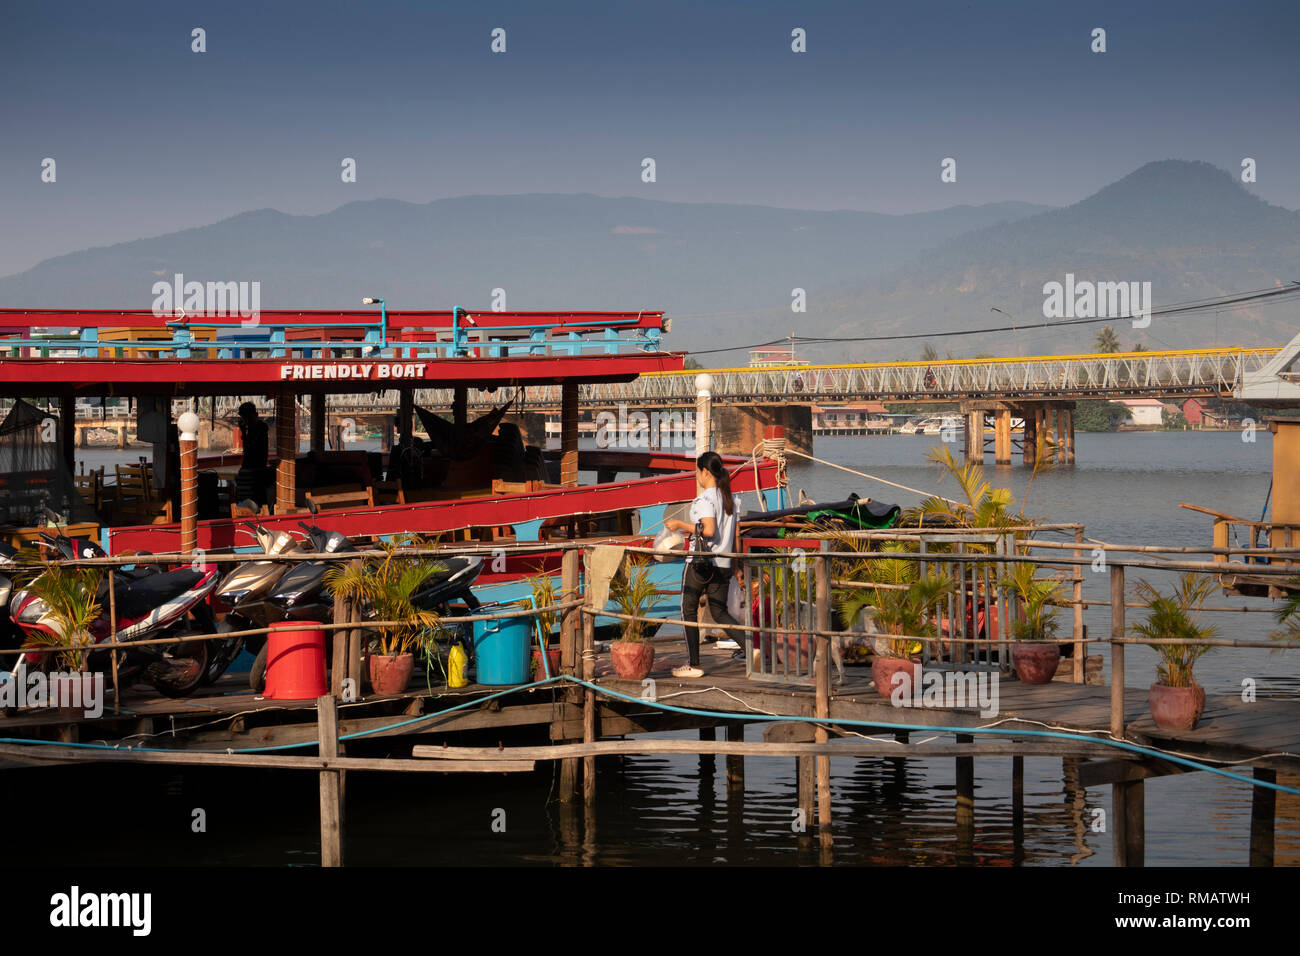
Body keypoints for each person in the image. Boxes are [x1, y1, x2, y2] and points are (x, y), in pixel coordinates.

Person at [664, 451, 742, 678]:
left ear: (705, 472)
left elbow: (708, 530)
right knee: (719, 612)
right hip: (724, 563)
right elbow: (734, 533)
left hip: (700, 564)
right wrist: (735, 565)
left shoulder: (704, 500)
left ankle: (694, 664)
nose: (696, 475)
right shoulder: (731, 499)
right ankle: (753, 649)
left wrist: (680, 524)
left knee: (687, 609)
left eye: (697, 471)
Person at [235, 401, 271, 506]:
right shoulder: (256, 427)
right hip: (253, 466)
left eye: (244, 417)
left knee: (251, 490)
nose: (244, 420)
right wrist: (244, 431)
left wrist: (244, 432)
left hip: (256, 467)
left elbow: (249, 447)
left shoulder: (260, 428)